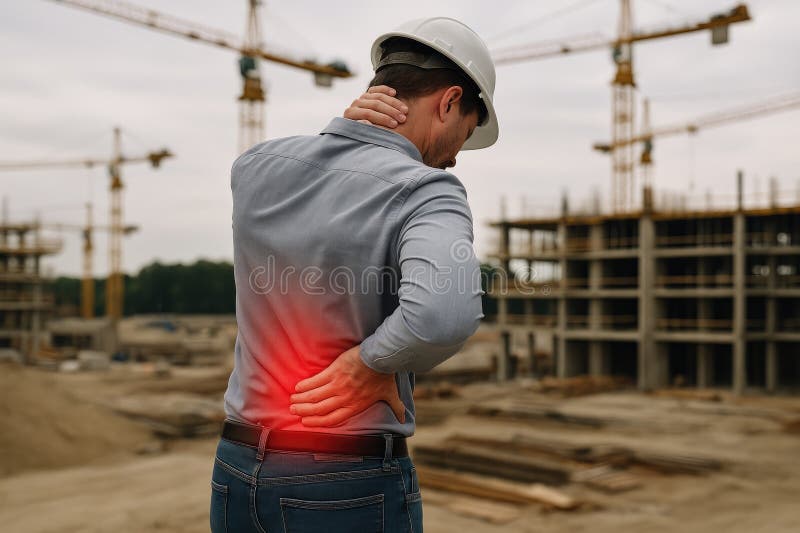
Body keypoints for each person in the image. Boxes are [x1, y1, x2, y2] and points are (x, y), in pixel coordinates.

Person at [211, 17, 499, 533]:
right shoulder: (426, 190)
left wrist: (346, 130)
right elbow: (443, 314)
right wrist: (371, 363)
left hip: (236, 469)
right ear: (450, 101)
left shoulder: (254, 167)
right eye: (466, 130)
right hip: (345, 480)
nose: (455, 156)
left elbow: (326, 179)